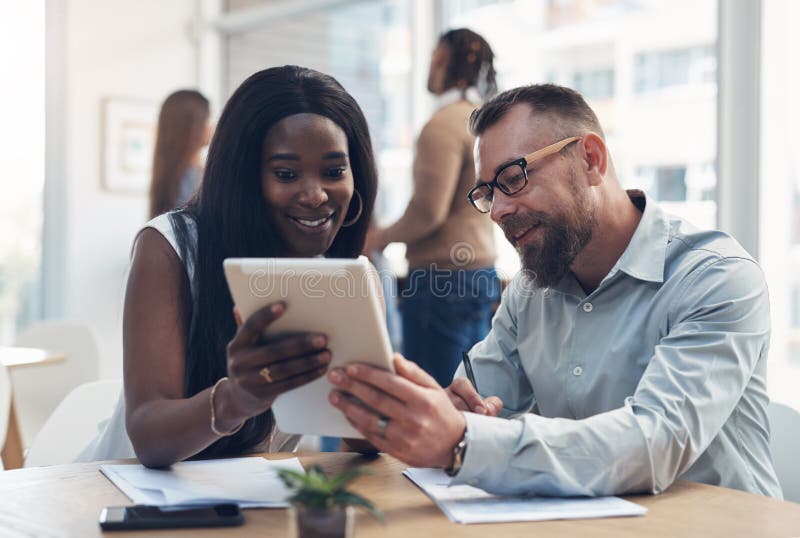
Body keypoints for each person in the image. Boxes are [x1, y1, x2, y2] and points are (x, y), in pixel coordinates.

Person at [327, 83, 783, 499]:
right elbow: (473, 404)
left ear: (591, 160)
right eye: (488, 192)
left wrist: (461, 440)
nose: (498, 211)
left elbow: (652, 443)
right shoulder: (530, 290)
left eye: (513, 178)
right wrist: (425, 411)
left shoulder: (716, 280)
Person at [78, 66, 377, 467]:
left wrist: (401, 410)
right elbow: (148, 437)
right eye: (286, 174)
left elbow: (359, 437)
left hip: (247, 506)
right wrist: (237, 399)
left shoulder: (349, 276)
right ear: (244, 176)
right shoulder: (169, 246)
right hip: (122, 498)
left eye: (334, 171)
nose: (316, 194)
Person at [364, 28, 500, 387]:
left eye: (433, 58)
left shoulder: (441, 126)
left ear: (445, 63)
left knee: (434, 395)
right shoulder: (484, 121)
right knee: (473, 392)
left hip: (441, 279)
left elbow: (428, 211)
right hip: (481, 273)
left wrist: (378, 238)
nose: (429, 66)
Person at [149, 89, 211, 219]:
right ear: (192, 128)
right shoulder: (193, 178)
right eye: (207, 120)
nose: (212, 127)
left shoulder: (170, 176)